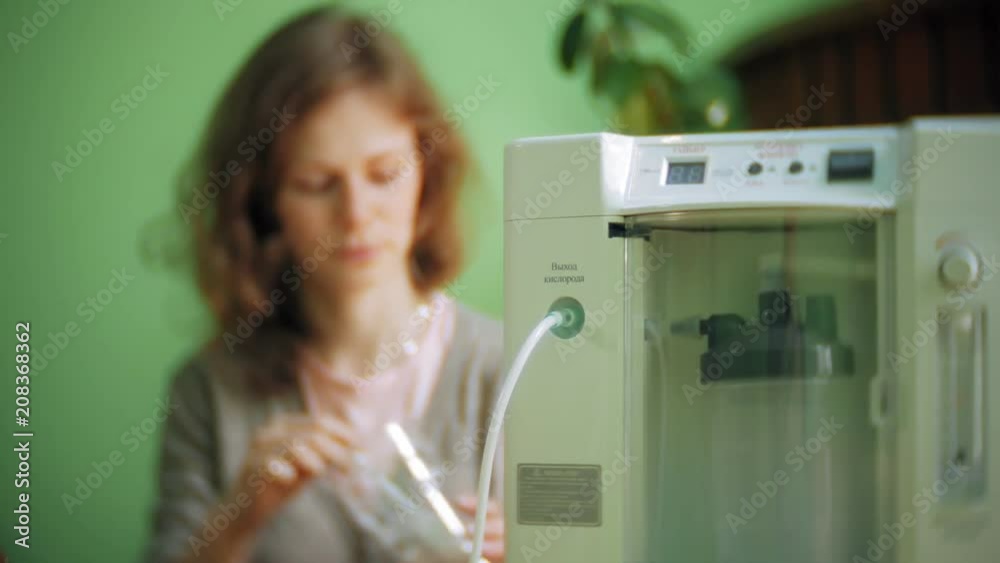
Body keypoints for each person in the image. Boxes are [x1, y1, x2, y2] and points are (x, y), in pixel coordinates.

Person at [143, 6, 505, 563]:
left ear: (427, 172)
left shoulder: (507, 369)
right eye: (316, 184)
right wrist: (238, 521)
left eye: (385, 175)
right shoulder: (211, 392)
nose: (358, 216)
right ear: (264, 205)